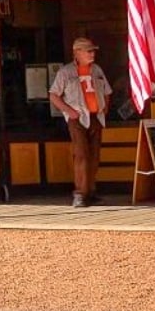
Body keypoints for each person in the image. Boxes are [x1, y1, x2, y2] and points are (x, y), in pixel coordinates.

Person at [49, 37, 111, 207]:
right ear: (77, 53)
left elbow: (107, 90)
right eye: (88, 51)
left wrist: (105, 106)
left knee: (94, 155)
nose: (92, 54)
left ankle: (90, 191)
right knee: (81, 155)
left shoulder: (97, 70)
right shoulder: (66, 72)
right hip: (78, 118)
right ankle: (80, 193)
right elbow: (54, 95)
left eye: (93, 51)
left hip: (95, 116)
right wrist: (68, 111)